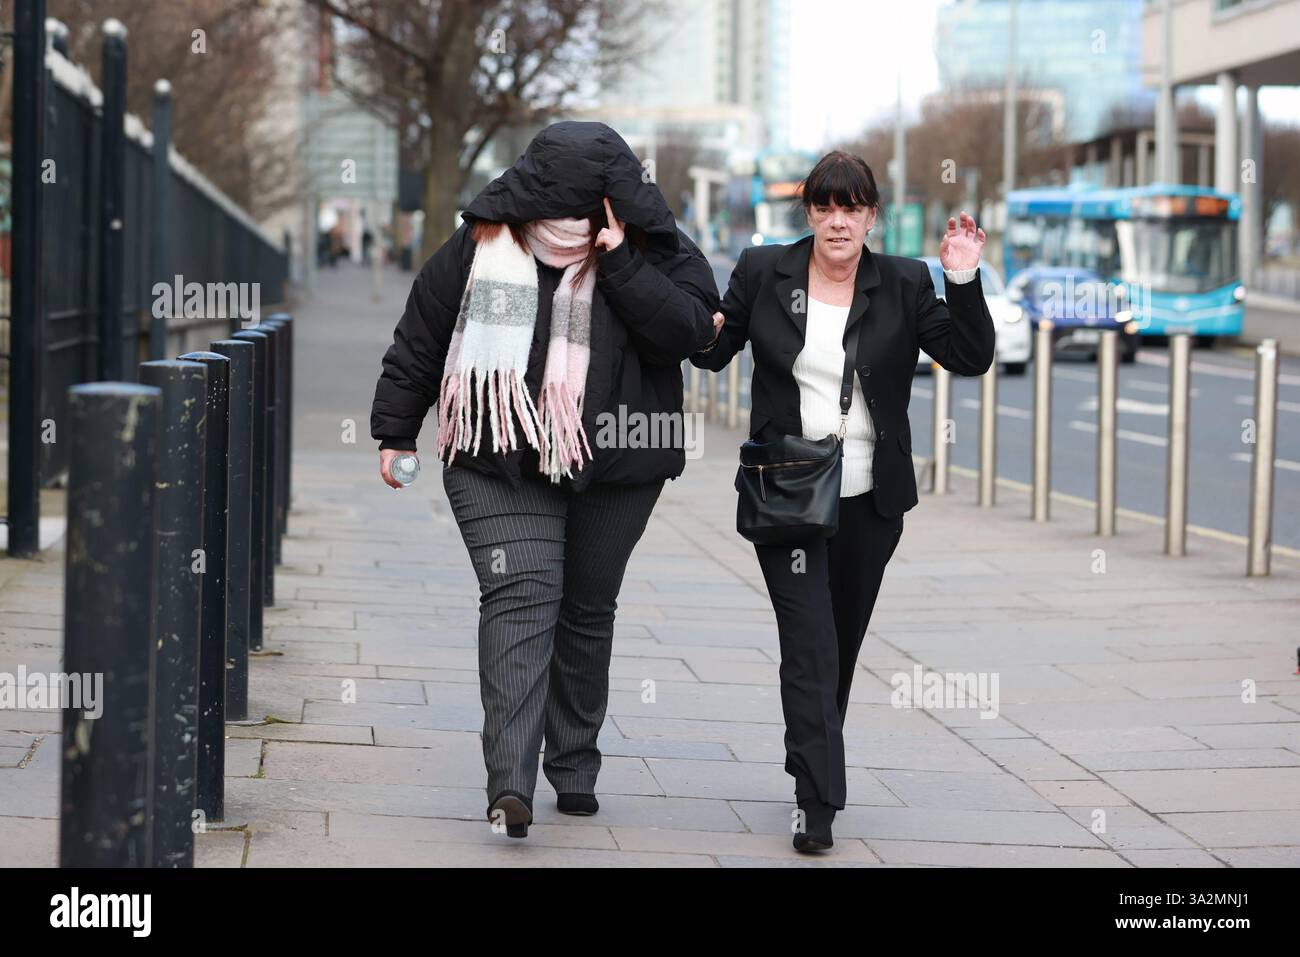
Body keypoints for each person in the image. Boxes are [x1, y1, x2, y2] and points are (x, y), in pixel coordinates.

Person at [370, 121, 721, 839]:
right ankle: (510, 782)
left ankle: (575, 765)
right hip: (498, 458)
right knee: (524, 594)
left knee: (587, 610)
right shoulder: (483, 245)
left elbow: (688, 333)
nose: (560, 225)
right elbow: (422, 333)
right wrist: (394, 430)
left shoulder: (659, 251)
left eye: (579, 211)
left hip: (618, 466)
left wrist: (621, 263)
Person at [692, 150, 995, 853]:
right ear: (810, 213)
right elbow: (713, 349)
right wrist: (672, 299)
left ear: (871, 216)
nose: (837, 221)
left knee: (840, 648)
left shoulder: (905, 281)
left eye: (851, 207)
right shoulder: (764, 272)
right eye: (825, 206)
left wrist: (962, 277)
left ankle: (812, 763)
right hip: (789, 490)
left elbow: (971, 356)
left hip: (869, 499)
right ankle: (817, 799)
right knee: (809, 645)